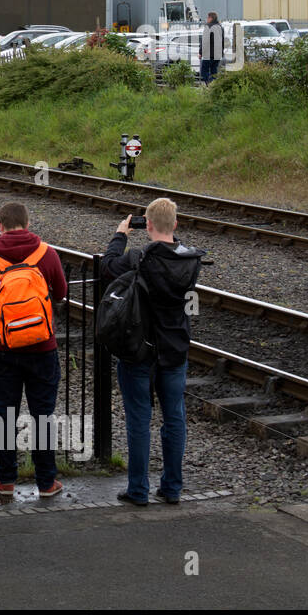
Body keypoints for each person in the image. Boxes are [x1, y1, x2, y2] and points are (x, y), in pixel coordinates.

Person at [99, 198, 205, 506]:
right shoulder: (190, 259)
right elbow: (175, 249)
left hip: (140, 348)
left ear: (146, 226)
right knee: (174, 417)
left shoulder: (138, 257)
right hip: (175, 348)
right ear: (175, 225)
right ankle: (172, 487)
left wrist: (120, 235)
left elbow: (107, 266)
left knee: (139, 419)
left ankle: (138, 490)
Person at [0, 202, 68, 498]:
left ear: (0, 225)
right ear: (28, 223)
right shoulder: (46, 254)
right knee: (43, 414)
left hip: (4, 348)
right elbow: (60, 293)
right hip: (43, 347)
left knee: (5, 412)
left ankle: (6, 479)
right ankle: (46, 482)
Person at [198, 11, 223, 85]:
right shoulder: (220, 27)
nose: (207, 19)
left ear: (210, 18)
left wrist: (200, 52)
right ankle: (214, 85)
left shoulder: (208, 27)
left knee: (203, 71)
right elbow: (222, 40)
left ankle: (210, 84)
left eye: (207, 17)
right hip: (217, 54)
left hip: (209, 54)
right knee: (214, 72)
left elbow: (205, 41)